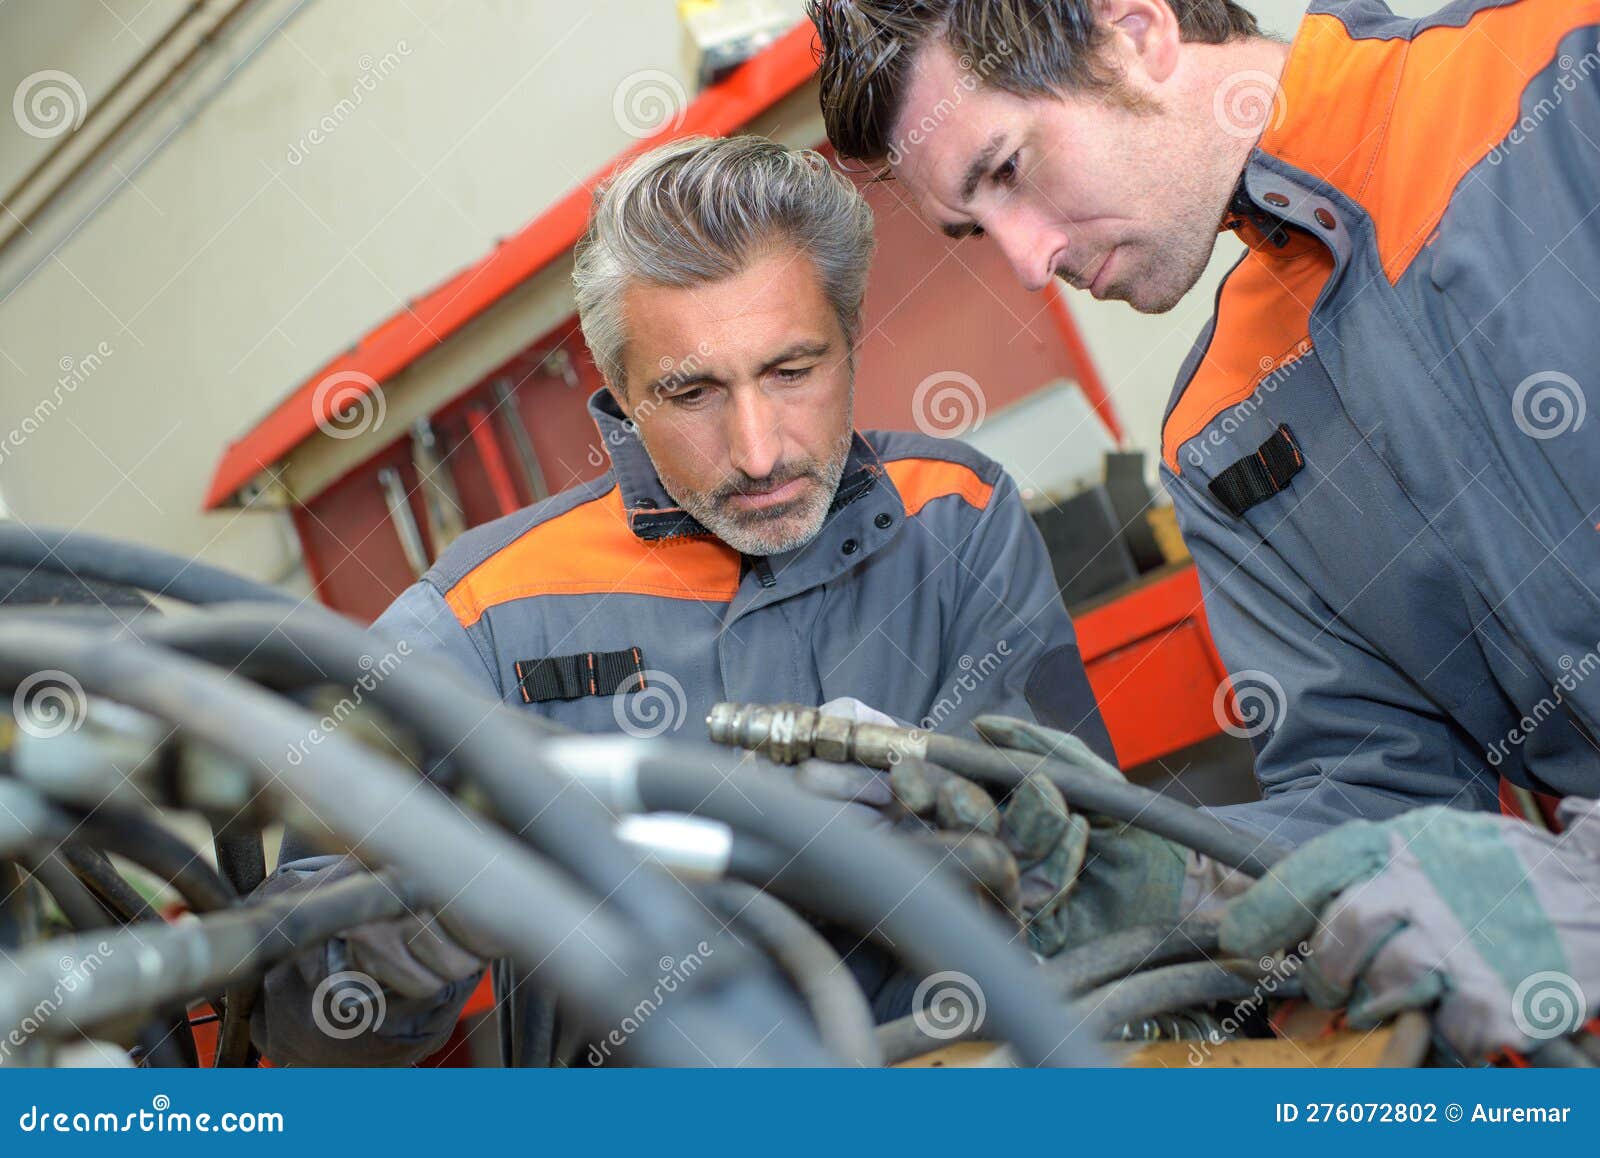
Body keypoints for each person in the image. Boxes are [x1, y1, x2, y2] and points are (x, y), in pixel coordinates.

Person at [808, 0, 1600, 1058]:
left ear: (1134, 30)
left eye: (1007, 171)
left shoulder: (1555, 71)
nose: (1026, 261)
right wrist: (1172, 873)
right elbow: (1378, 794)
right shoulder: (1224, 433)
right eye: (974, 228)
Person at [251, 133, 1114, 1065]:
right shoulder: (489, 615)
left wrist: (930, 843)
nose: (757, 450)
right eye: (692, 391)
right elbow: (301, 1032)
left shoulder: (955, 519)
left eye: (792, 372)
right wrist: (407, 938)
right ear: (621, 392)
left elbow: (1094, 869)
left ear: (851, 341)